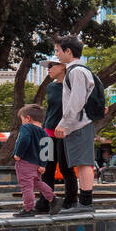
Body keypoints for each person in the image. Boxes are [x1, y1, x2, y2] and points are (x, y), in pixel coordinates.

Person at [49, 36, 102, 214]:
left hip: (80, 123)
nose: (57, 55)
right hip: (80, 123)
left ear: (68, 51)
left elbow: (76, 100)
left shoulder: (76, 72)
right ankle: (85, 202)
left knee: (84, 163)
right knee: (81, 163)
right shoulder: (77, 70)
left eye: (58, 51)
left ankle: (86, 203)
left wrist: (64, 123)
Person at [35, 57, 78, 213]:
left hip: (65, 133)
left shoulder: (73, 86)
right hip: (47, 133)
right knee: (45, 170)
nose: (49, 68)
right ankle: (44, 202)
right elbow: (51, 111)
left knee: (66, 169)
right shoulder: (50, 87)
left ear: (63, 67)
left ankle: (71, 201)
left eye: (52, 65)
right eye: (48, 66)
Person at [12, 105, 62, 218]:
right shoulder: (45, 133)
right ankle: (53, 199)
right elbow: (47, 150)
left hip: (25, 162)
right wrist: (43, 165)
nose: (22, 122)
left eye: (22, 119)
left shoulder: (26, 127)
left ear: (28, 118)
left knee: (26, 186)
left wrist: (18, 154)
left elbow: (24, 139)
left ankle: (28, 208)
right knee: (37, 183)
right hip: (37, 165)